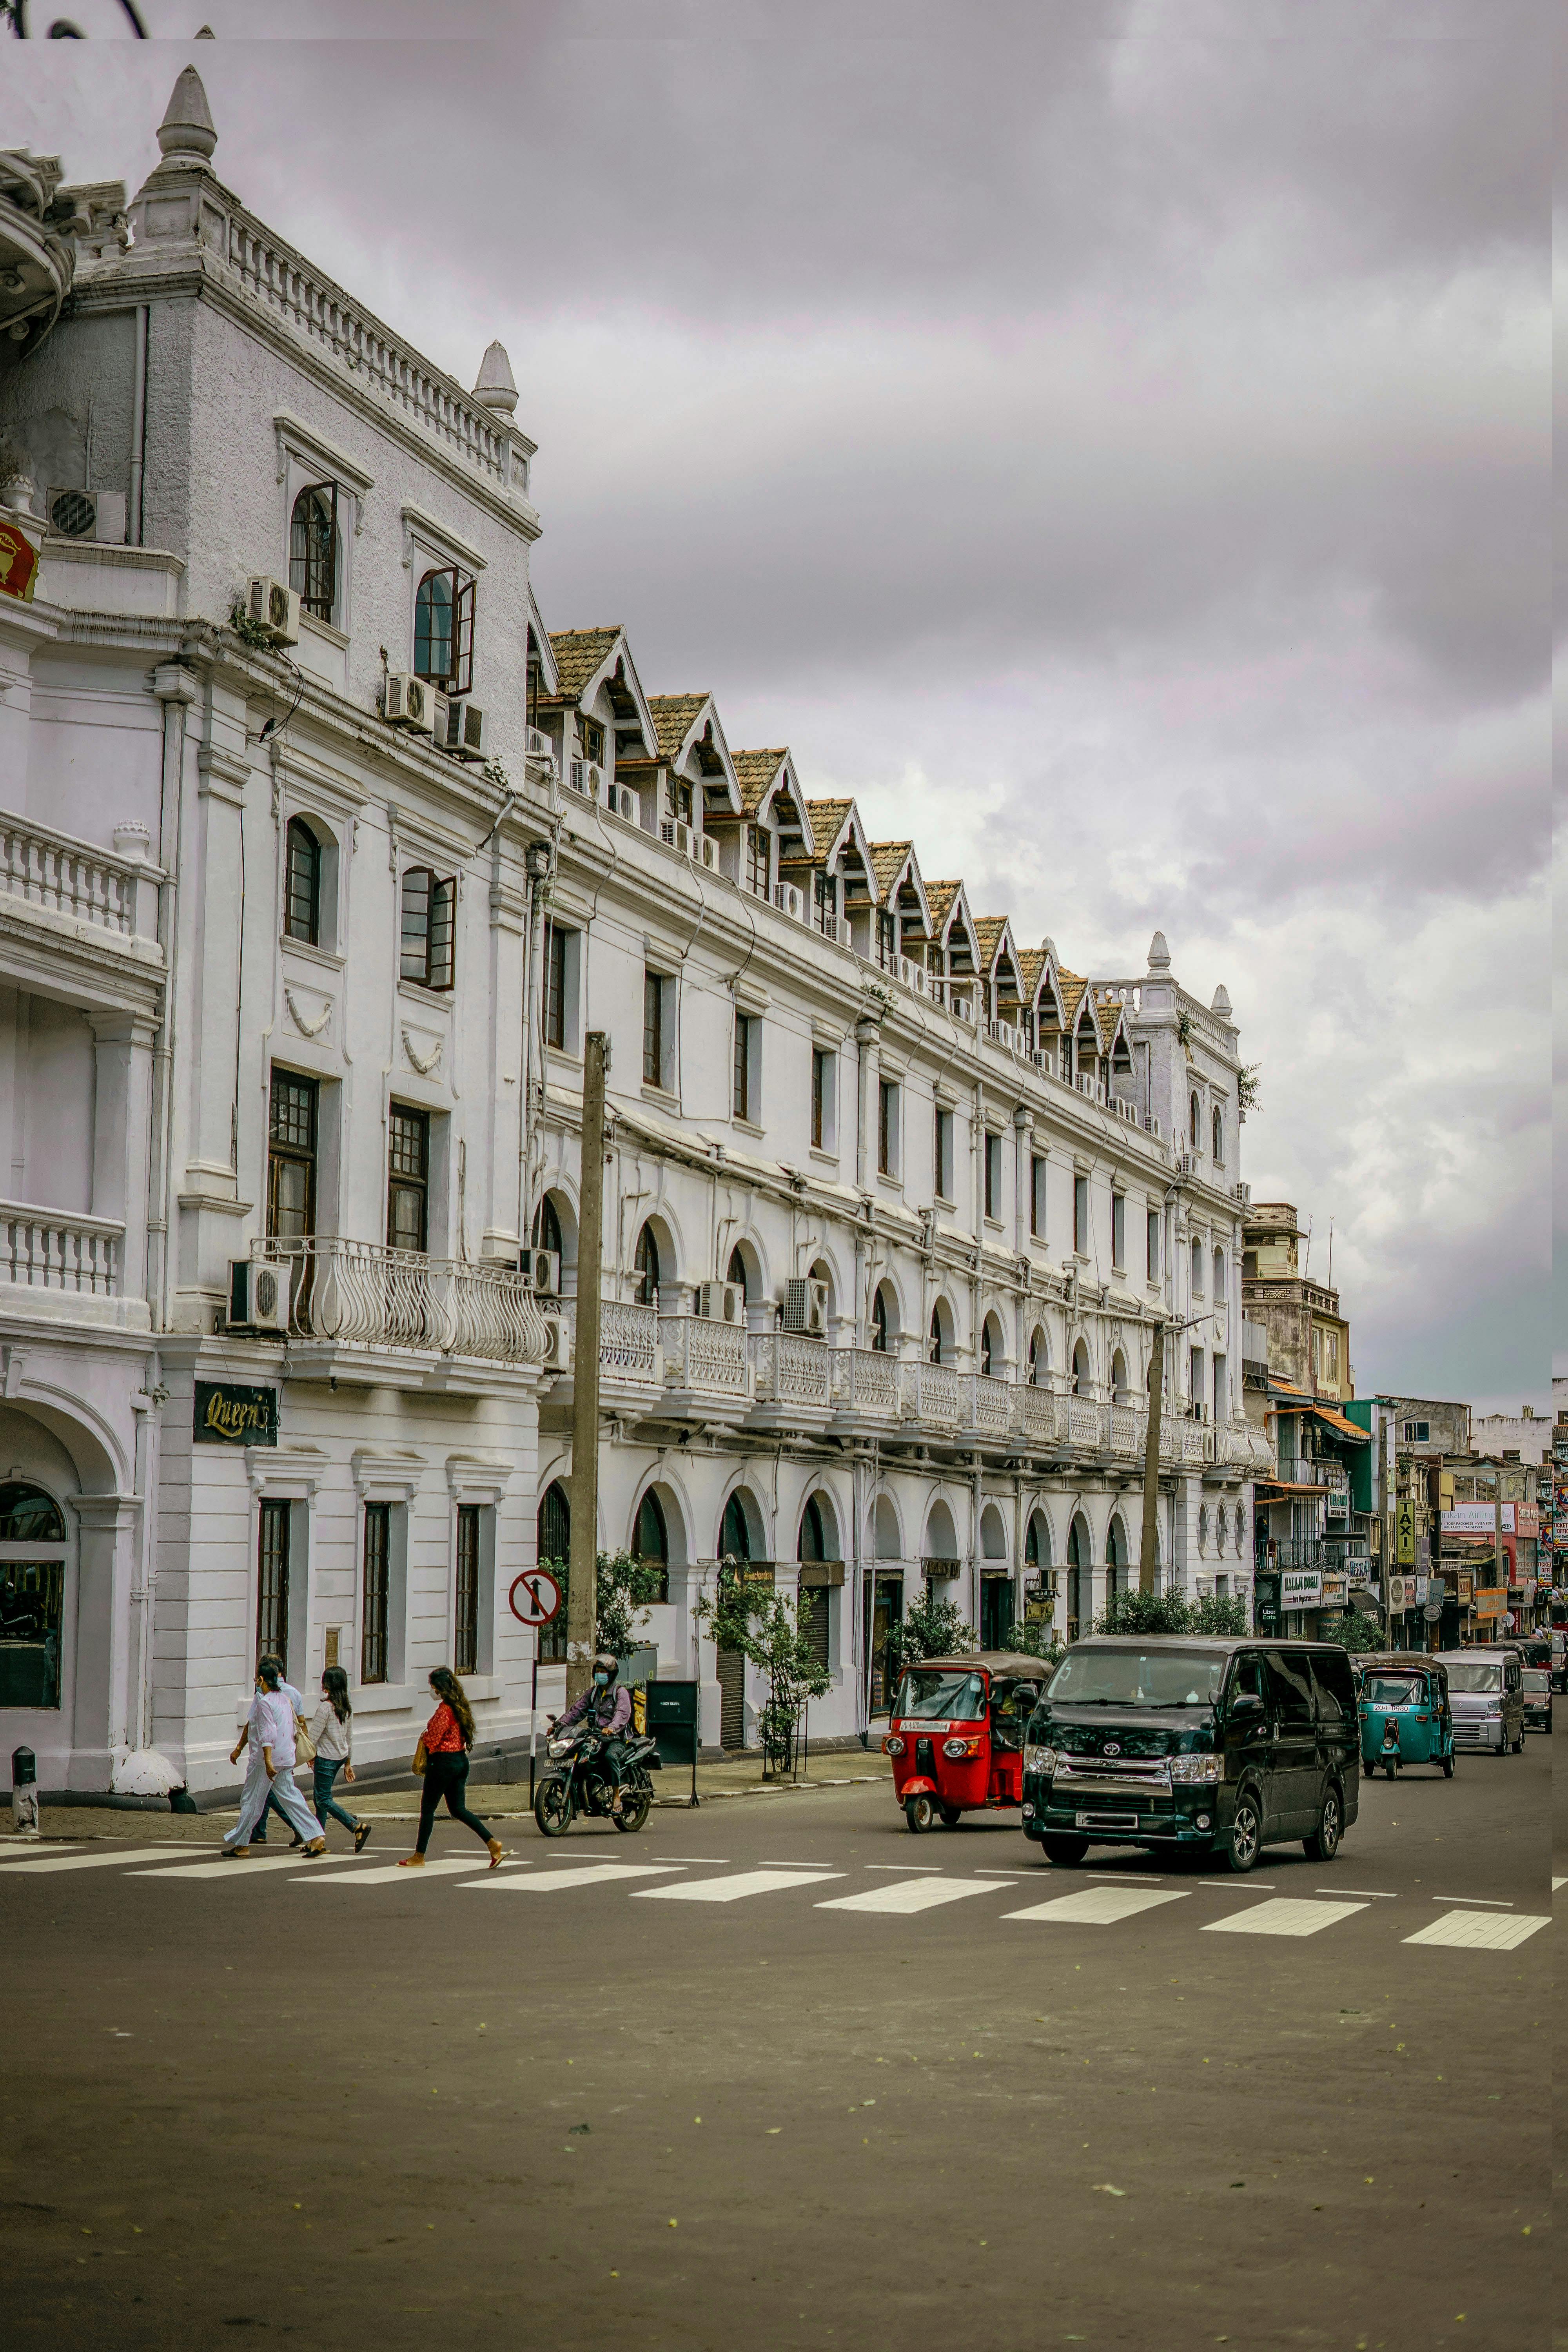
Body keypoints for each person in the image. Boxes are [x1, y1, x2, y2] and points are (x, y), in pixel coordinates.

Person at [398, 1667, 503, 1869]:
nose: (431, 1690)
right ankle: (492, 1844)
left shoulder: (444, 1710)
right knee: (458, 1810)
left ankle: (419, 1856)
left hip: (442, 1764)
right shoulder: (460, 1706)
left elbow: (433, 1739)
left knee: (428, 1809)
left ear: (440, 1689)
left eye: (432, 1686)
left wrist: (424, 1737)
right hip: (460, 1761)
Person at [223, 1661, 327, 1857]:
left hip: (265, 1762)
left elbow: (267, 1735)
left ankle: (242, 1844)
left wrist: (268, 1761)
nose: (256, 1682)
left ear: (262, 1680)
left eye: (257, 1679)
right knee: (292, 1798)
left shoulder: (265, 1703)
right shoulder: (285, 1699)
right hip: (287, 1757)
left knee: (252, 1800)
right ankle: (316, 1836)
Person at [550, 1651, 632, 1811]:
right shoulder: (593, 1693)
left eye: (604, 1672)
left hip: (616, 1739)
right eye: (598, 1672)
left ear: (611, 1674)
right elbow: (576, 1711)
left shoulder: (620, 1692)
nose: (600, 1675)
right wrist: (559, 1724)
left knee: (610, 1757)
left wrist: (612, 1728)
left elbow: (622, 1714)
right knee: (578, 1756)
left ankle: (616, 1796)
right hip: (595, 1737)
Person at [309, 1665, 371, 1852]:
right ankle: (317, 1841)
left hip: (326, 1758)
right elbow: (349, 1737)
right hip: (340, 1757)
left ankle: (356, 1826)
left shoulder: (325, 1708)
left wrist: (308, 1756)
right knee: (318, 1798)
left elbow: (313, 1737)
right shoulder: (346, 1708)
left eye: (324, 1682)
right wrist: (348, 1763)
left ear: (328, 1685)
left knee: (323, 1799)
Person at [248, 1652, 307, 1846]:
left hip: (270, 1755)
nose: (256, 1681)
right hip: (288, 1752)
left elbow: (263, 1731)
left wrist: (266, 1759)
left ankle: (299, 1828)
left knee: (266, 1793)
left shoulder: (264, 1698)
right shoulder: (292, 1695)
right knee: (274, 1792)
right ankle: (257, 1831)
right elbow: (301, 1723)